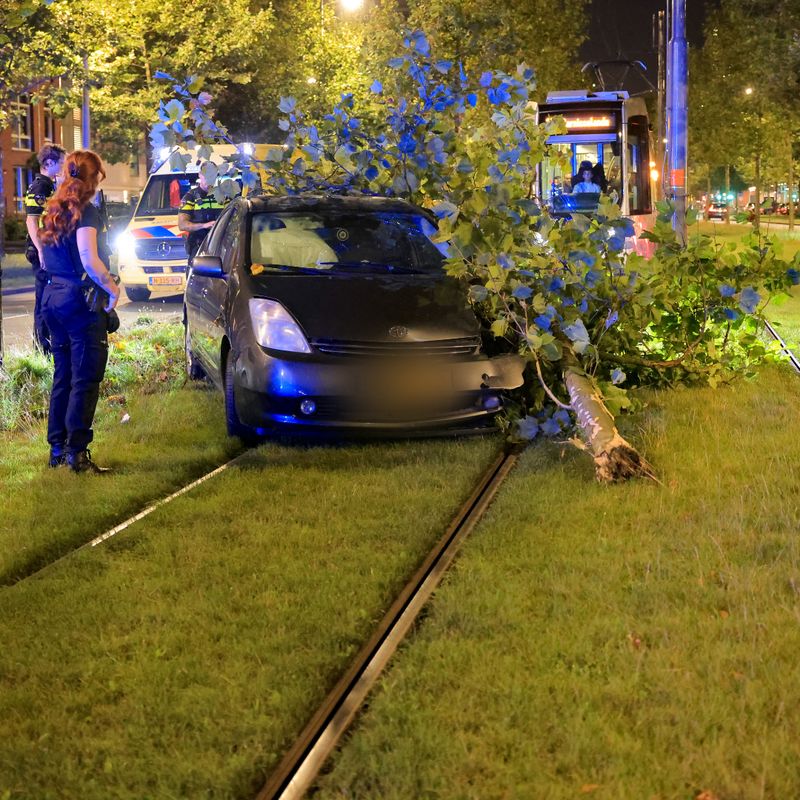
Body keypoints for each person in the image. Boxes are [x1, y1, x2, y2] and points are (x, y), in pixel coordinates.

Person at [39, 150, 120, 474]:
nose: (101, 182)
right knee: (85, 379)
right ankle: (78, 454)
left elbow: (46, 261)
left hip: (53, 298)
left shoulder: (53, 210)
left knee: (64, 376)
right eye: (99, 176)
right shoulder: (85, 213)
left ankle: (57, 449)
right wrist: (112, 289)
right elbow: (89, 257)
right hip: (79, 302)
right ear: (91, 178)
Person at [24, 143, 67, 354]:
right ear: (48, 163)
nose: (64, 165)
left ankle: (46, 346)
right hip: (41, 250)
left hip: (49, 249)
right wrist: (41, 251)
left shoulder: (49, 185)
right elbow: (31, 221)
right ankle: (42, 348)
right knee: (43, 301)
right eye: (61, 162)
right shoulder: (40, 187)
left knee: (48, 299)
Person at [178, 169, 227, 263]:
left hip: (221, 246)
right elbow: (182, 225)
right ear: (200, 175)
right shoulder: (190, 197)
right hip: (198, 247)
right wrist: (204, 225)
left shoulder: (224, 196)